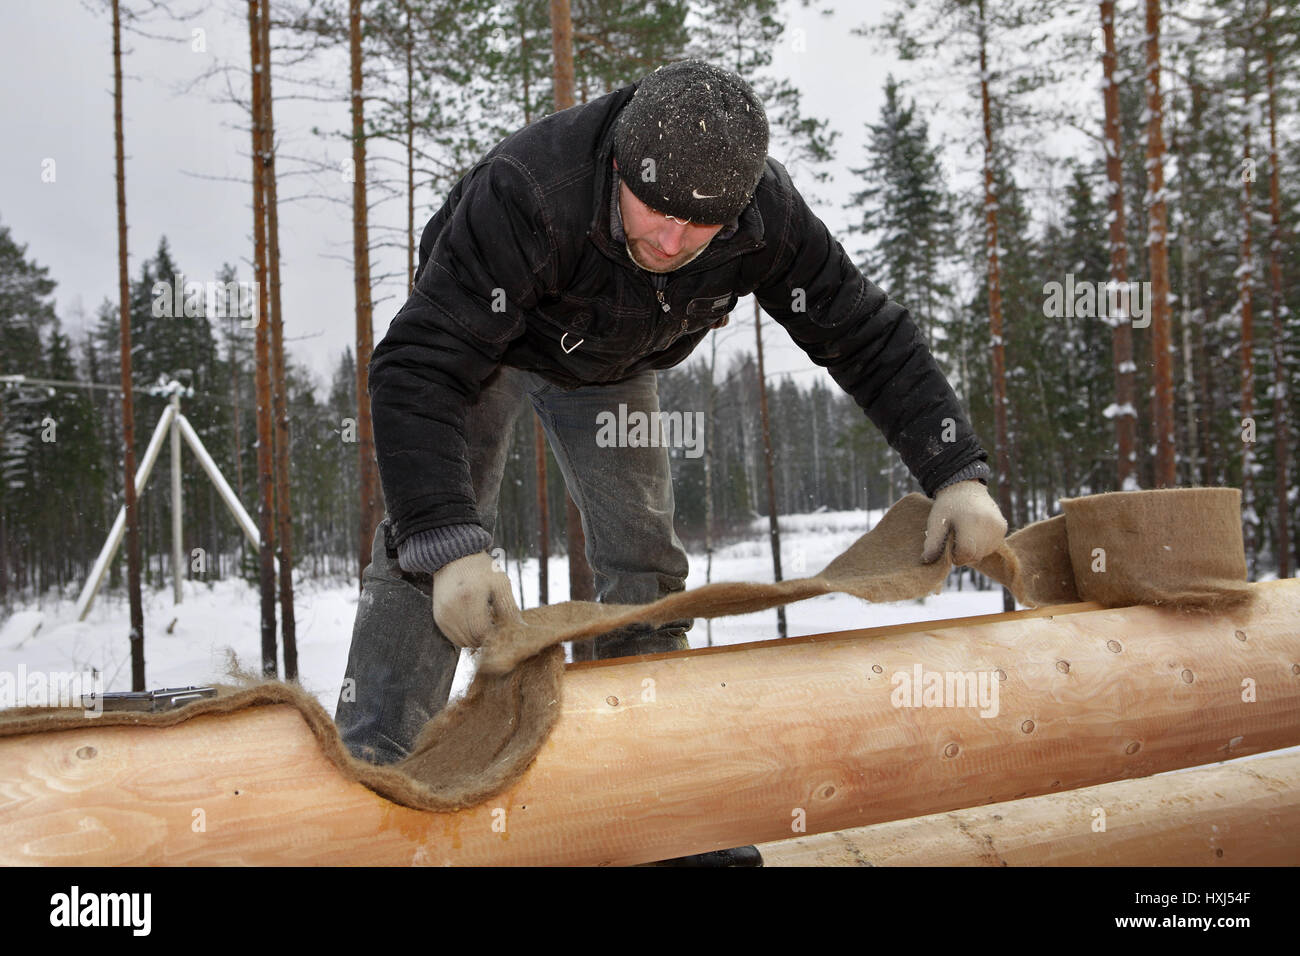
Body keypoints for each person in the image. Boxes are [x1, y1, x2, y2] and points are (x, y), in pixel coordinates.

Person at [334, 59, 1006, 812]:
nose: (672, 238)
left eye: (701, 223)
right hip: (491, 346)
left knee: (644, 560)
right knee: (425, 557)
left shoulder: (766, 218)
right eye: (654, 209)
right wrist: (449, 537)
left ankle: (651, 772)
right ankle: (375, 776)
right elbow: (417, 367)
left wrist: (956, 470)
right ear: (619, 159)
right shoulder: (529, 191)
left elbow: (864, 335)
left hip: (614, 365)